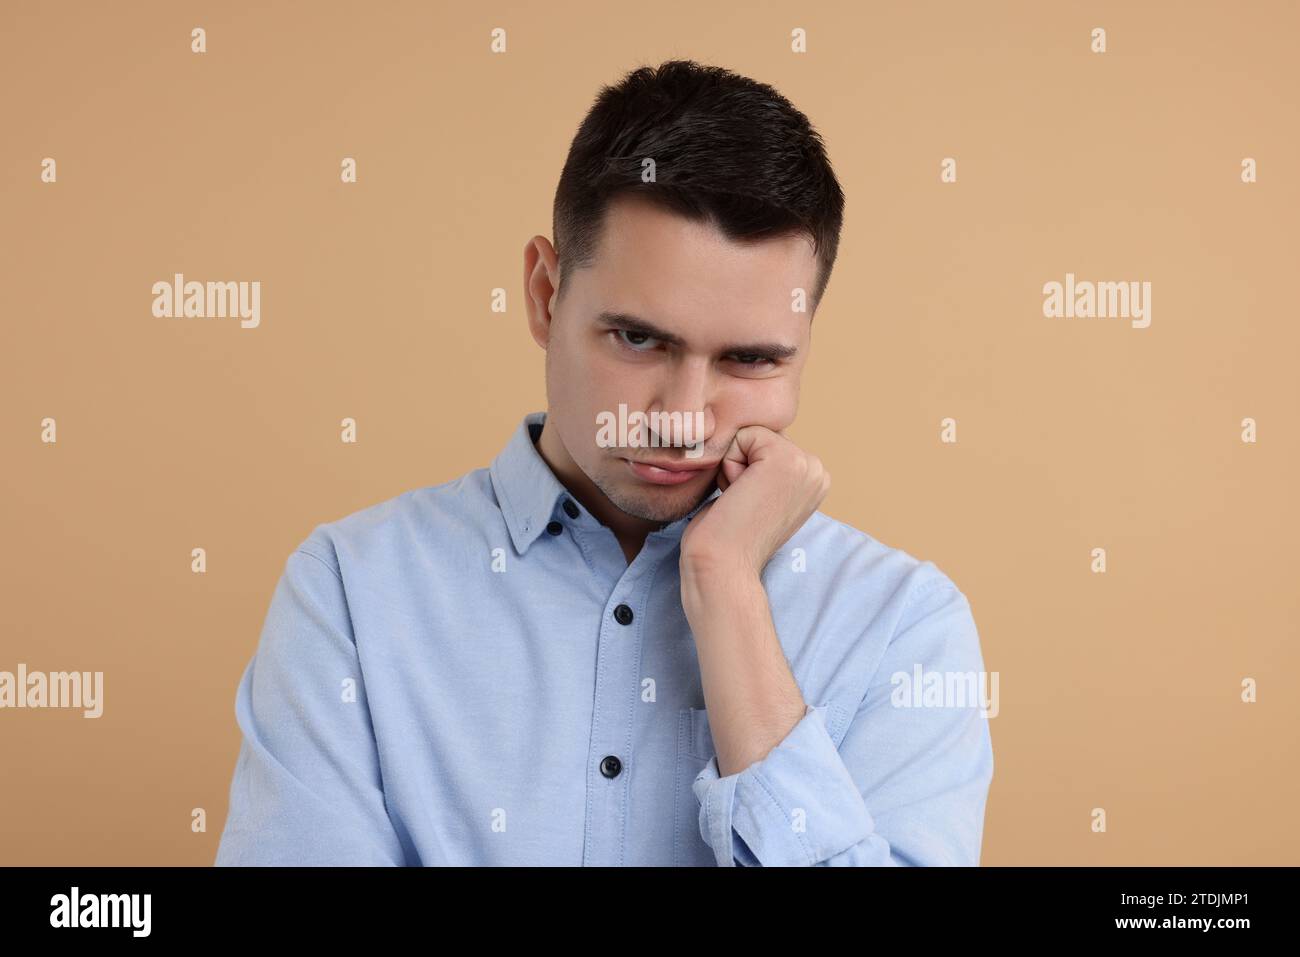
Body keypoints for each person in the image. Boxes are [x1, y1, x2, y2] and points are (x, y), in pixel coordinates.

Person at [215, 59, 993, 866]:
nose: (684, 418)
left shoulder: (905, 625)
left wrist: (727, 591)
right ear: (545, 295)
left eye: (751, 360)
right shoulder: (350, 592)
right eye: (639, 338)